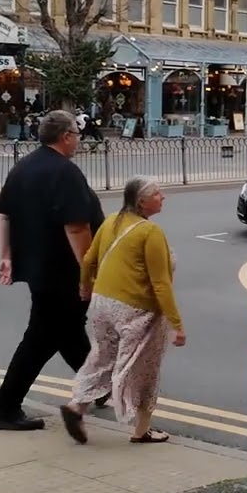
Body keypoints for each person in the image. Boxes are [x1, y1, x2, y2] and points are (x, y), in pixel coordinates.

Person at [0, 110, 106, 431]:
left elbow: (4, 215)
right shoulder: (64, 172)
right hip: (64, 271)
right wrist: (89, 272)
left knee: (65, 332)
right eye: (77, 135)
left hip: (39, 270)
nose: (79, 140)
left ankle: (100, 387)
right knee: (41, 339)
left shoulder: (24, 167)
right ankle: (4, 408)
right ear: (66, 136)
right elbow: (77, 227)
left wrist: (6, 256)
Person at [59, 175, 185, 445]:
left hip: (103, 303)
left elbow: (89, 259)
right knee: (143, 368)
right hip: (136, 310)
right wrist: (177, 324)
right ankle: (141, 430)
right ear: (142, 201)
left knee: (102, 357)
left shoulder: (111, 221)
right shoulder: (150, 232)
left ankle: (76, 407)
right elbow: (160, 284)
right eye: (157, 193)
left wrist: (85, 288)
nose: (163, 197)